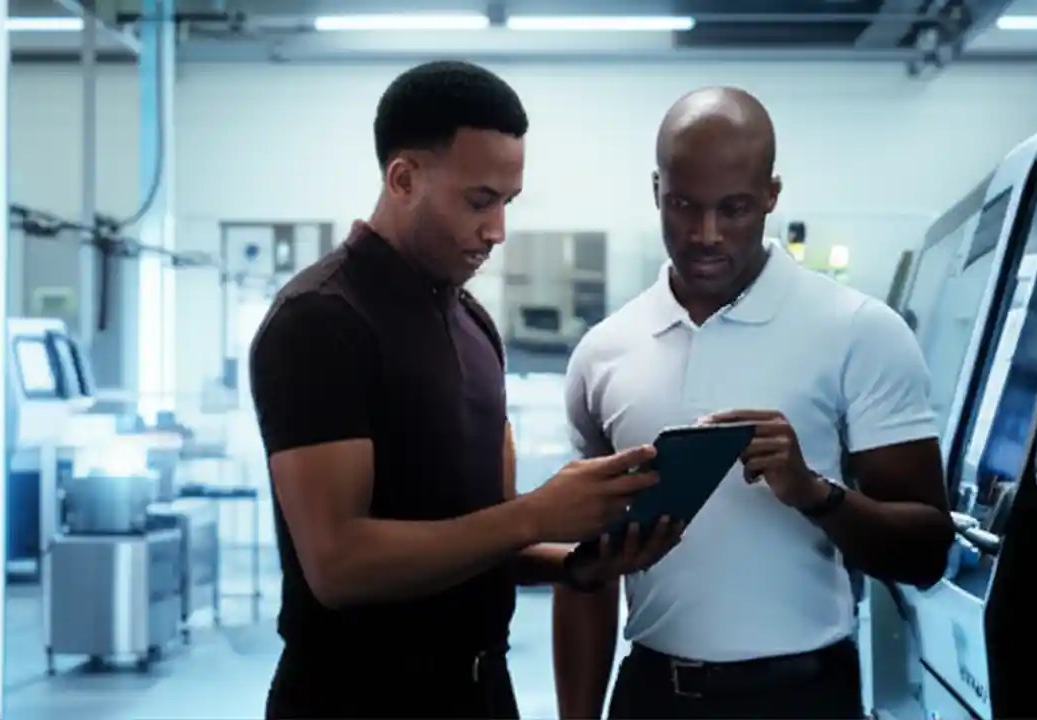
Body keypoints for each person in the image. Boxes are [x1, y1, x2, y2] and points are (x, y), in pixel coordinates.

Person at [248, 60, 681, 720]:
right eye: (479, 201)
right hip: (356, 699)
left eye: (507, 202)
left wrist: (573, 564)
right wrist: (538, 513)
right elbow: (338, 565)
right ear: (403, 178)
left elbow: (484, 539)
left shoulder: (473, 324)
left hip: (479, 690)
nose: (497, 230)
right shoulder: (321, 320)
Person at [552, 87, 954, 720]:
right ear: (657, 189)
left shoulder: (858, 330)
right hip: (654, 695)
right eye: (684, 206)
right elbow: (584, 572)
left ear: (771, 194)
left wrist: (812, 491)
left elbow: (927, 552)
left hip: (802, 698)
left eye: (734, 209)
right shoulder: (604, 352)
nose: (705, 234)